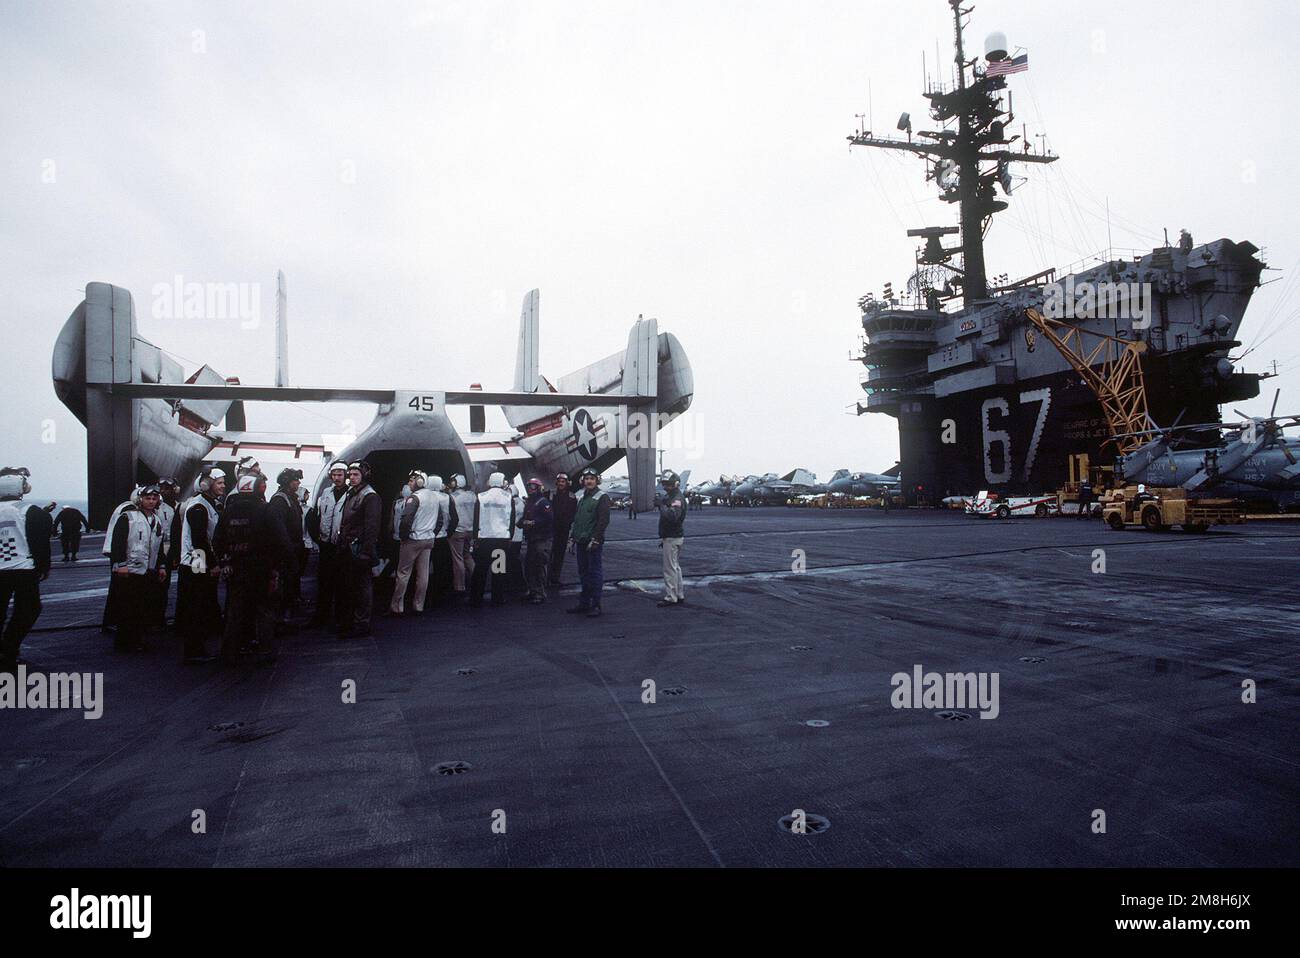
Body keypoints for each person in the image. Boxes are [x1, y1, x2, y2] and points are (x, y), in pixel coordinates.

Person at [214, 473, 287, 665]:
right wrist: (281, 565)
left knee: (235, 612)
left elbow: (217, 541)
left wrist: (225, 562)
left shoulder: (227, 511)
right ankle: (265, 651)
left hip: (236, 569)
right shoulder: (266, 510)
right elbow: (280, 540)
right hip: (262, 570)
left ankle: (229, 653)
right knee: (264, 610)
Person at [0, 467, 52, 673]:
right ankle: (9, 648)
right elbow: (40, 541)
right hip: (24, 569)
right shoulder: (30, 511)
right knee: (29, 609)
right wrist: (44, 566)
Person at [105, 483, 167, 651]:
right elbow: (117, 543)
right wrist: (121, 565)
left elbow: (158, 546)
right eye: (148, 498)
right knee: (127, 608)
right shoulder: (127, 518)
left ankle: (137, 639)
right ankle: (124, 643)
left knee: (143, 607)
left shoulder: (157, 520)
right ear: (140, 499)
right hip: (130, 571)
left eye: (154, 498)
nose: (151, 501)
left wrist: (161, 566)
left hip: (148, 570)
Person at [176, 467, 226, 663]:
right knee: (196, 607)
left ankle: (198, 647)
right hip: (195, 563)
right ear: (206, 484)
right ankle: (194, 651)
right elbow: (199, 540)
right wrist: (210, 565)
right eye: (219, 482)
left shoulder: (209, 505)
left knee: (204, 605)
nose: (223, 485)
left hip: (199, 562)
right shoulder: (199, 507)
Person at [389, 470, 450, 616]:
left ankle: (397, 607)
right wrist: (432, 533)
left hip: (413, 539)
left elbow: (406, 519)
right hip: (428, 540)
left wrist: (404, 536)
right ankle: (419, 606)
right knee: (423, 574)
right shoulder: (435, 497)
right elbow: (440, 520)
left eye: (411, 480)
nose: (409, 483)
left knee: (403, 573)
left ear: (420, 482)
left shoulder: (414, 498)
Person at [337, 461, 381, 638]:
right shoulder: (352, 493)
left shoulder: (370, 496)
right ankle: (350, 621)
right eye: (350, 475)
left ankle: (362, 623)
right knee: (350, 586)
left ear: (364, 475)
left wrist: (366, 552)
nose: (352, 478)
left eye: (356, 474)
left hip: (359, 548)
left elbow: (372, 527)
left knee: (363, 587)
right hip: (348, 547)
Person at [306, 460, 348, 629]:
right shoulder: (326, 493)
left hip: (341, 547)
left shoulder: (351, 494)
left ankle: (340, 617)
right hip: (326, 546)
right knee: (324, 583)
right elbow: (315, 516)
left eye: (340, 475)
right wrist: (318, 538)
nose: (337, 478)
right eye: (334, 475)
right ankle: (320, 616)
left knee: (342, 584)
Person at [567, 468, 610, 617]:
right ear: (582, 481)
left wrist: (596, 539)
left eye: (592, 478)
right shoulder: (582, 497)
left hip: (592, 543)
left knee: (594, 573)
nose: (589, 481)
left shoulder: (602, 497)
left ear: (597, 480)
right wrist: (572, 538)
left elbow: (603, 521)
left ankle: (596, 605)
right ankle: (584, 603)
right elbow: (578, 519)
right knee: (583, 573)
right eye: (586, 479)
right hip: (581, 541)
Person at [469, 472, 517, 608]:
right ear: (502, 482)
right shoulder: (509, 498)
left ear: (490, 481)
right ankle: (498, 597)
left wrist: (475, 537)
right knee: (498, 570)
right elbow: (511, 521)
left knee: (481, 570)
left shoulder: (481, 497)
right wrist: (510, 536)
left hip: (484, 538)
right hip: (501, 539)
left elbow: (476, 520)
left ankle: (476, 598)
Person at [267, 468, 306, 630]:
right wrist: (288, 550)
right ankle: (279, 621)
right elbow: (278, 529)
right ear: (287, 482)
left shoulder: (290, 498)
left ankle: (284, 619)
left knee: (289, 586)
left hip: (292, 548)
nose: (298, 482)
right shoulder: (280, 500)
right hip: (284, 552)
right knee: (282, 588)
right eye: (295, 480)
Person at [657, 471, 687, 607]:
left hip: (672, 537)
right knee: (675, 568)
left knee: (669, 569)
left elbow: (673, 516)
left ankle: (671, 597)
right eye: (664, 484)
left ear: (675, 484)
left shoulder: (677, 499)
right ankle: (679, 594)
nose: (665, 487)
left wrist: (661, 505)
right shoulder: (673, 496)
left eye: (667, 484)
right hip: (674, 536)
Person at [521, 477, 553, 603]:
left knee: (539, 566)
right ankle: (532, 590)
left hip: (542, 539)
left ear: (539, 488)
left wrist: (534, 522)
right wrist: (521, 523)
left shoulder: (544, 502)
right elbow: (525, 517)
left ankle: (540, 593)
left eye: (533, 486)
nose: (530, 489)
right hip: (532, 539)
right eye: (529, 486)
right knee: (529, 566)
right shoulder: (530, 502)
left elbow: (550, 519)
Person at [154, 478, 180, 627]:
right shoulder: (158, 508)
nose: (164, 491)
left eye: (167, 488)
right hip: (162, 548)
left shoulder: (179, 506)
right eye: (162, 488)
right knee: (160, 585)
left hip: (176, 548)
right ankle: (157, 619)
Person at [448, 474, 476, 597]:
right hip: (470, 530)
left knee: (457, 558)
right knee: (468, 556)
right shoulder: (472, 495)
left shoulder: (452, 497)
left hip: (458, 530)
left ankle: (460, 586)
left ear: (456, 483)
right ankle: (476, 580)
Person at [548, 473, 575, 587]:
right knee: (548, 554)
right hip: (551, 529)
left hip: (563, 530)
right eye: (559, 481)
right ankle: (546, 578)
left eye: (563, 481)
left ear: (567, 483)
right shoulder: (550, 494)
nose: (560, 483)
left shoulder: (572, 497)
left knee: (559, 555)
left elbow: (573, 514)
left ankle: (555, 578)